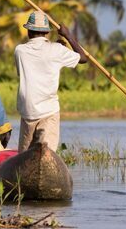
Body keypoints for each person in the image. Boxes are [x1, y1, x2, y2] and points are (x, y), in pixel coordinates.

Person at [14, 11, 88, 152]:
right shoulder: (56, 50)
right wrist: (68, 35)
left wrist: (57, 47)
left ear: (29, 31)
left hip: (27, 111)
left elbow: (40, 56)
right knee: (47, 155)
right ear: (47, 32)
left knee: (24, 158)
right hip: (49, 110)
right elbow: (83, 58)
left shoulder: (20, 51)